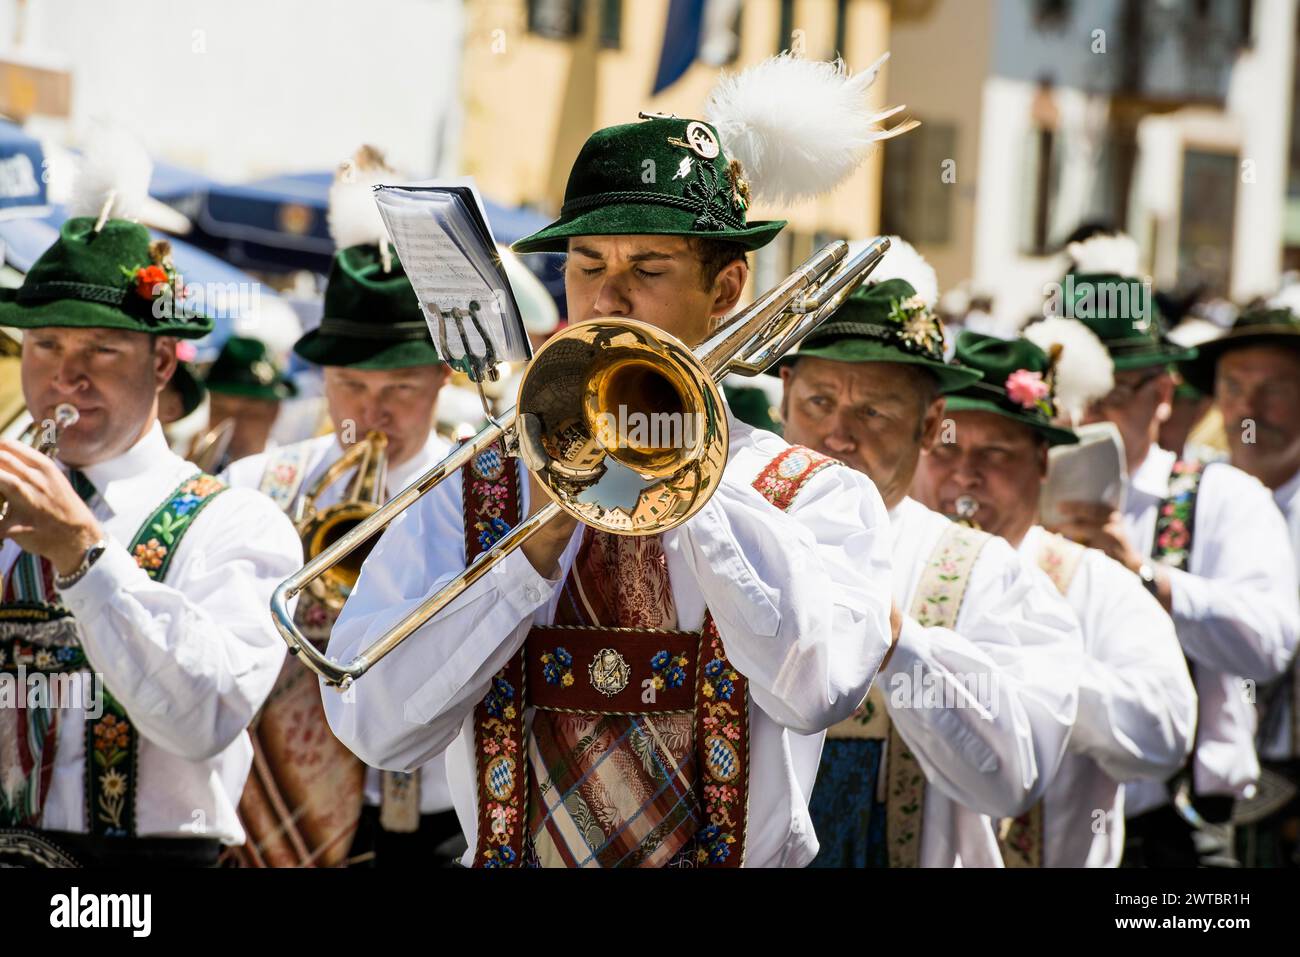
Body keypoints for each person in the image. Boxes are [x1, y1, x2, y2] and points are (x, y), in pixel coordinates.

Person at [325, 56, 910, 868]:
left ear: (728, 287)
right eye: (587, 266)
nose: (607, 301)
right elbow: (377, 726)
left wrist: (689, 477)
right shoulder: (480, 485)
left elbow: (816, 689)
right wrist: (524, 551)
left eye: (648, 269)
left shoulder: (816, 495)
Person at [0, 205, 300, 866]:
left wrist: (85, 557)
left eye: (100, 349)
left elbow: (205, 718)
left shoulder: (238, 523)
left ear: (163, 362)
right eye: (45, 344)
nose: (64, 377)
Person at [776, 240, 1083, 867]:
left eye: (873, 411)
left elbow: (1015, 777)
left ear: (929, 422)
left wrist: (899, 643)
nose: (839, 433)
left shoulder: (986, 574)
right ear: (783, 397)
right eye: (819, 402)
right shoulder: (726, 532)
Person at [220, 149, 459, 868]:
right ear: (323, 376)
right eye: (350, 386)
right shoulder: (258, 482)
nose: (371, 413)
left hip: (447, 809)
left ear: (442, 377)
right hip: (297, 813)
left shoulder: (477, 481)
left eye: (401, 391)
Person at [1055, 233, 1300, 866]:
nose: (1087, 419)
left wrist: (1146, 578)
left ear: (1162, 394)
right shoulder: (1019, 493)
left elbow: (1268, 644)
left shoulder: (1222, 496)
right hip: (1044, 823)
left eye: (1109, 397)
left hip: (1176, 833)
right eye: (1071, 397)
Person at [913, 329, 1196, 866]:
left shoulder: (1095, 582)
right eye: (947, 447)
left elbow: (1167, 736)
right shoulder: (898, 563)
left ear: (1043, 464)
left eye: (995, 453)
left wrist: (1042, 673)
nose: (965, 474)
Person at [1182, 303, 1300, 866]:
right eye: (1233, 385)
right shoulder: (1184, 502)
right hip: (1197, 797)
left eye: (1274, 388)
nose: (1248, 408)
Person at [199, 335, 296, 469]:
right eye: (219, 411)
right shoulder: (187, 472)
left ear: (274, 413)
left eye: (248, 414)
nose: (232, 427)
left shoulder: (290, 479)